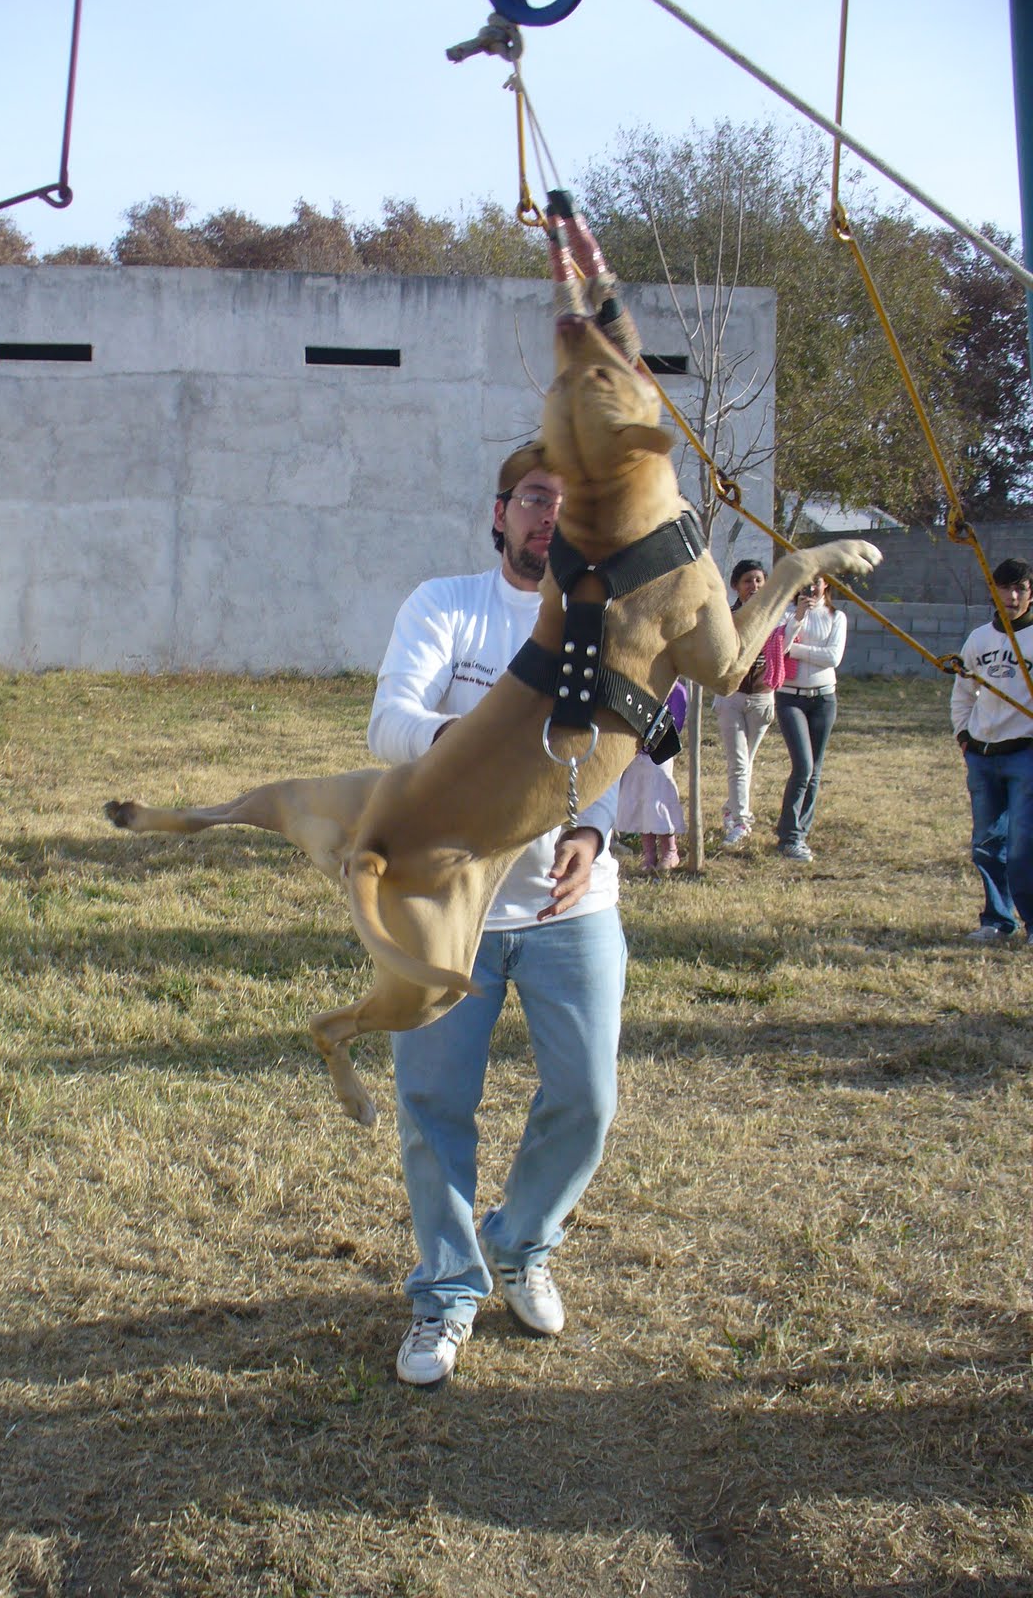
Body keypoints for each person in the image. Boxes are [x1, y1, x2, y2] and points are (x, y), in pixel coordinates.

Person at [367, 443, 626, 1387]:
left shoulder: (605, 622)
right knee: (434, 1105)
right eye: (531, 497)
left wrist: (592, 829)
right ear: (500, 512)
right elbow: (391, 721)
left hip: (570, 909)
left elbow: (620, 749)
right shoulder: (445, 604)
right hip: (445, 902)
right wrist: (485, 748)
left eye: (565, 502)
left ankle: (520, 1241)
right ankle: (444, 1292)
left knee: (587, 1101)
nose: (547, 515)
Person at [950, 556, 1033, 945]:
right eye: (1005, 588)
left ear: (1031, 594)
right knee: (986, 844)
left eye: (1020, 589)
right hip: (983, 754)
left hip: (1025, 754)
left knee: (1022, 847)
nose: (1012, 596)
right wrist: (964, 735)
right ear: (993, 591)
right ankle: (997, 921)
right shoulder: (979, 639)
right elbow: (964, 691)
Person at [712, 559, 786, 847]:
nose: (754, 586)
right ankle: (741, 821)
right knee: (739, 762)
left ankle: (730, 808)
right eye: (747, 581)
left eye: (758, 580)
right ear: (736, 586)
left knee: (746, 762)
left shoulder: (776, 616)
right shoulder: (726, 618)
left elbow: (786, 646)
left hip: (763, 696)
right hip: (732, 696)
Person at [774, 573, 845, 862]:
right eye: (805, 581)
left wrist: (798, 651)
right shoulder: (786, 614)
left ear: (825, 584)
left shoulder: (836, 616)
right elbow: (780, 647)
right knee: (802, 766)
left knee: (815, 770)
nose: (811, 587)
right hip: (790, 698)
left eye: (817, 581)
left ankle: (797, 834)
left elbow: (832, 658)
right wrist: (798, 617)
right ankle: (789, 837)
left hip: (823, 698)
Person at [616, 679, 688, 872]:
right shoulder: (640, 687)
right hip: (636, 752)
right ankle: (649, 854)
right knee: (641, 800)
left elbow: (676, 724)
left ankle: (670, 851)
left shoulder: (677, 691)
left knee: (659, 798)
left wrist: (653, 741)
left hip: (659, 752)